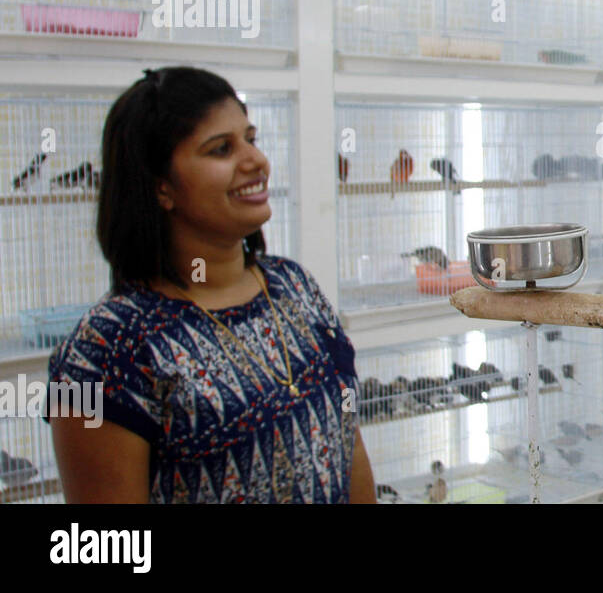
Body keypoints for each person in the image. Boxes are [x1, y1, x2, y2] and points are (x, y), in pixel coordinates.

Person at [46, 66, 376, 503]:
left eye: (251, 139)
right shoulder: (105, 352)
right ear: (161, 187)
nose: (256, 160)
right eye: (221, 149)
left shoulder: (294, 287)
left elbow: (347, 443)